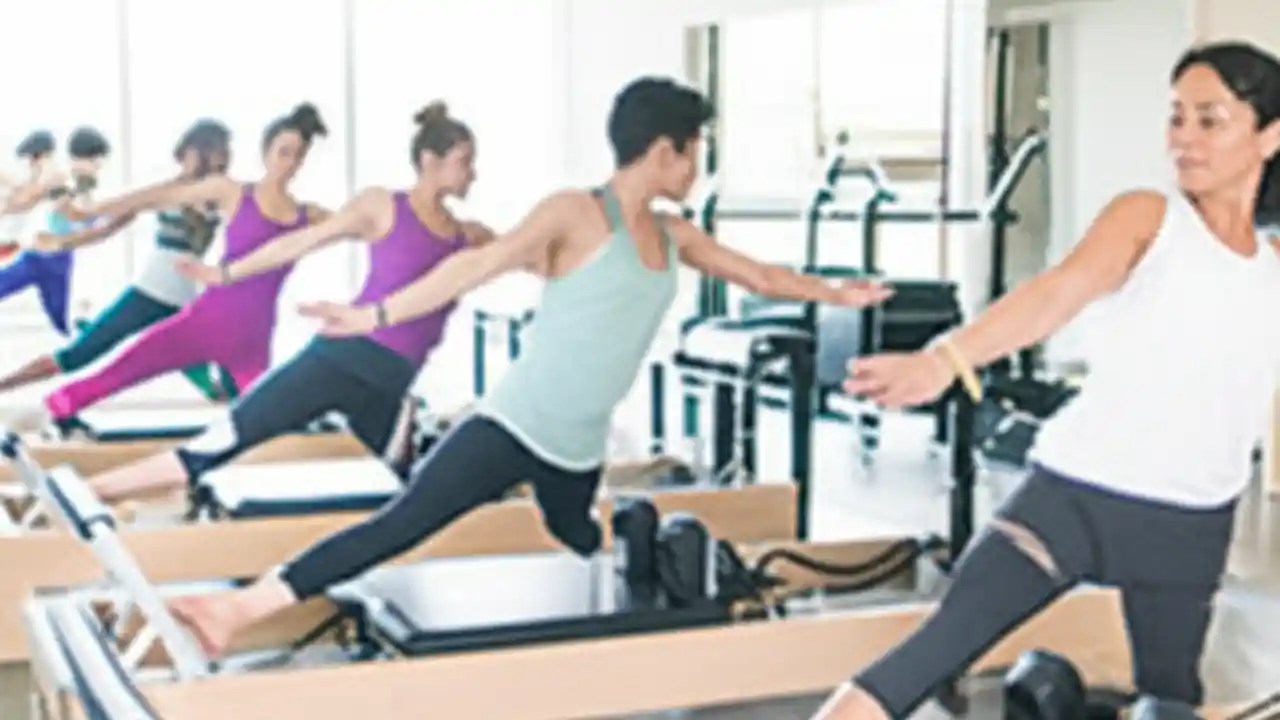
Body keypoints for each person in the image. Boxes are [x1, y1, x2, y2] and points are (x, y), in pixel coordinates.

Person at [163, 76, 891, 656]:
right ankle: (239, 608)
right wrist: (376, 315)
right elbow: (477, 265)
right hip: (513, 424)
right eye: (693, 148)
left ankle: (654, 572)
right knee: (404, 522)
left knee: (582, 533)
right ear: (663, 150)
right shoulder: (574, 212)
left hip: (577, 447)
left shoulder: (674, 234)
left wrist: (834, 291)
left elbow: (760, 275)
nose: (697, 164)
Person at [813, 41, 1280, 720]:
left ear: (1269, 135)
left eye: (1210, 120)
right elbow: (1054, 294)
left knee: (1173, 702)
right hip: (1076, 499)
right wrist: (944, 360)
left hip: (1191, 525)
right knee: (921, 662)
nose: (1184, 138)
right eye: (1176, 117)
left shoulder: (1271, 268)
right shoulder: (1150, 219)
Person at [87, 101, 491, 502]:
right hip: (343, 359)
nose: (472, 173)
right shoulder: (383, 206)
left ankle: (420, 447)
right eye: (463, 161)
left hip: (391, 380)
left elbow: (533, 251)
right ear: (429, 160)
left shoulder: (470, 237)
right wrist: (227, 273)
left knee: (406, 491)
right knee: (229, 436)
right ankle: (97, 490)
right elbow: (300, 241)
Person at [36, 103, 330, 433]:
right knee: (131, 366)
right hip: (207, 320)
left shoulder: (310, 216)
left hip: (255, 340)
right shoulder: (232, 192)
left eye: (298, 155)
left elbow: (361, 224)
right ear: (266, 152)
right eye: (283, 152)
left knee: (269, 413)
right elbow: (164, 195)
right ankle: (61, 404)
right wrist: (91, 211)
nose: (290, 162)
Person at [0, 119, 233, 400]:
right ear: (188, 152)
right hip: (150, 292)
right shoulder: (163, 190)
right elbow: (102, 225)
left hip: (187, 301)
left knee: (232, 356)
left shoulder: (221, 194)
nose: (199, 161)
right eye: (198, 153)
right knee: (76, 356)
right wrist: (62, 240)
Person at [0, 127, 115, 335]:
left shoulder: (72, 181)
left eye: (99, 161)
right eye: (94, 160)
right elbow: (27, 197)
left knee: (62, 321)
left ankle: (87, 338)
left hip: (58, 261)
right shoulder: (60, 176)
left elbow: (28, 199)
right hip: (37, 257)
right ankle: (84, 336)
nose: (98, 166)